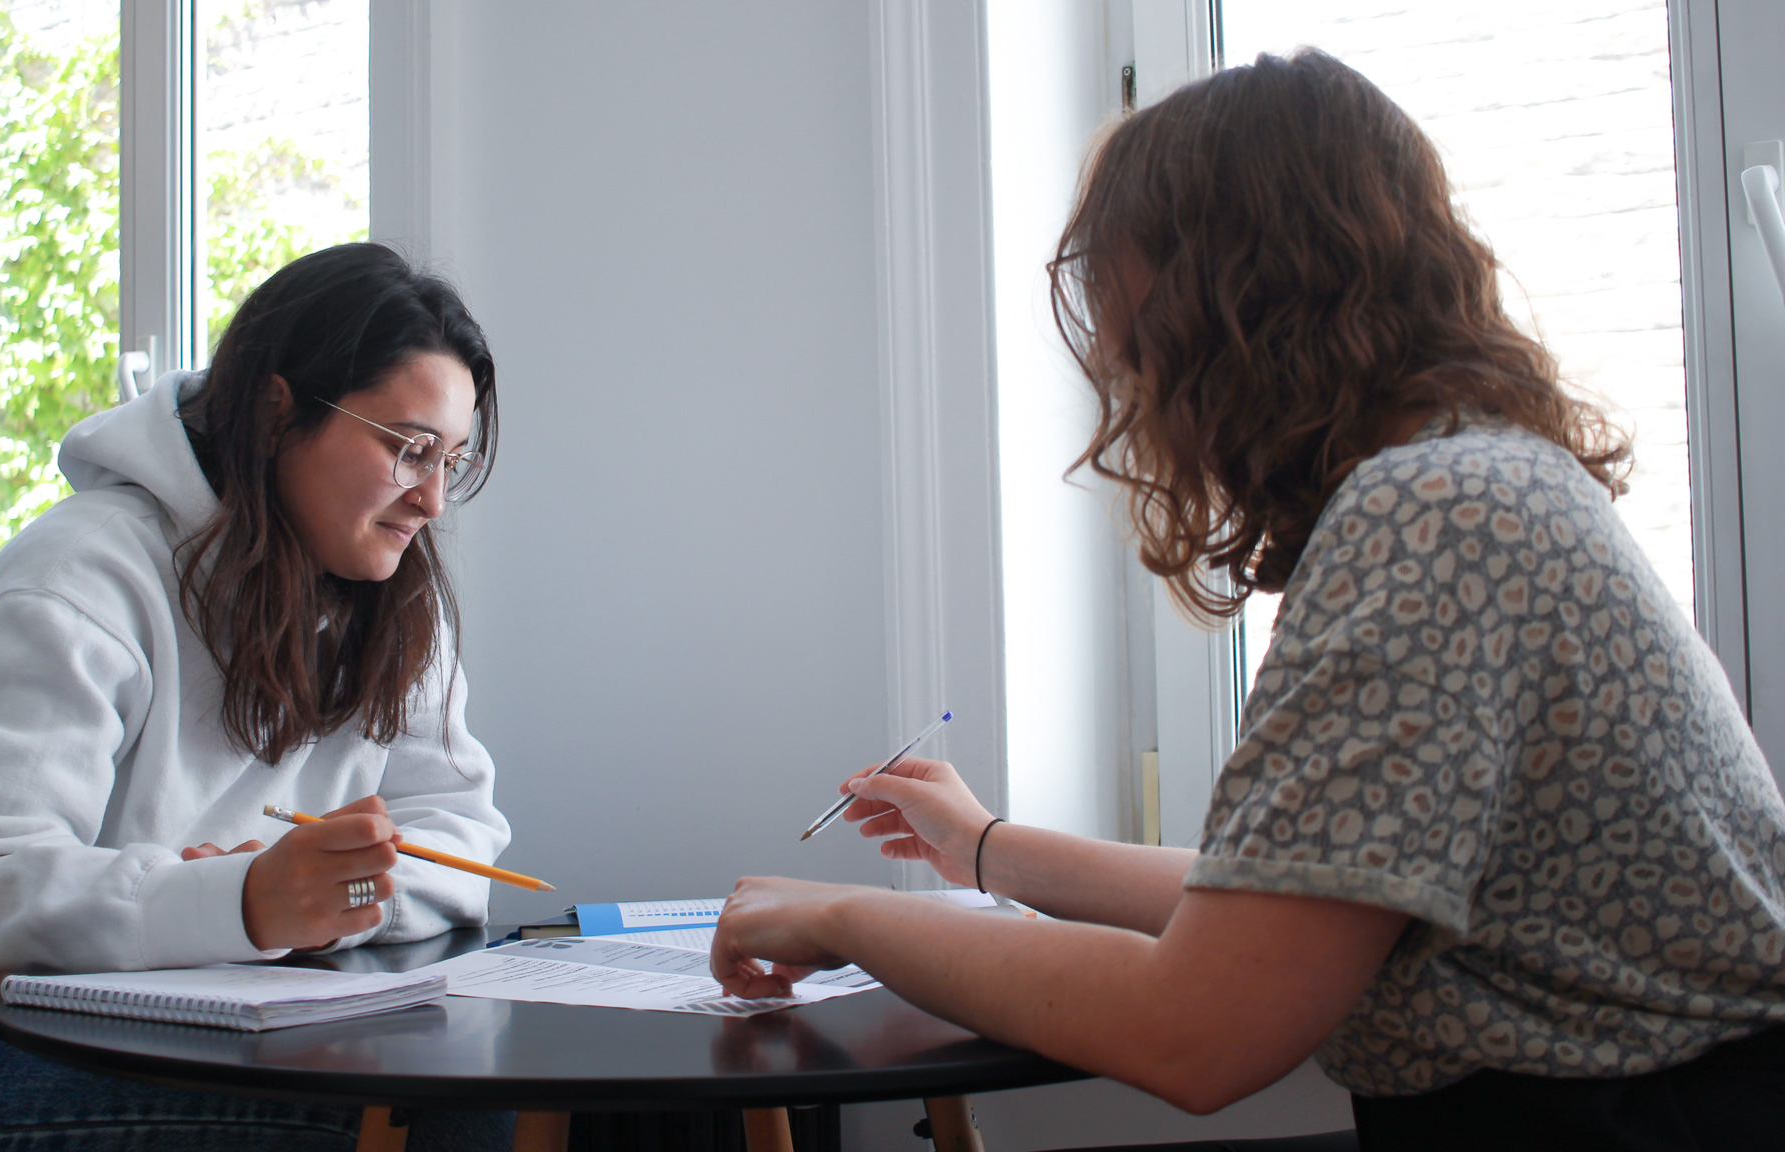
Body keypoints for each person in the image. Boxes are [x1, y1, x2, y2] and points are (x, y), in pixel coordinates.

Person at [710, 51, 1785, 1151]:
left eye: (1132, 342)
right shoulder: (1480, 480)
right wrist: (983, 847)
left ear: (1225, 312)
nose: (1128, 380)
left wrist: (850, 917)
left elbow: (1196, 1030)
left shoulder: (1426, 520)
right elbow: (1280, 902)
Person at [0, 243, 516, 1152]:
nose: (433, 501)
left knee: (466, 1099)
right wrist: (243, 898)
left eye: (453, 458)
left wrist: (332, 894)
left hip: (193, 1022)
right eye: (409, 450)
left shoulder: (396, 602)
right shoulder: (80, 577)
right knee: (389, 1126)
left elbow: (464, 833)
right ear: (276, 410)